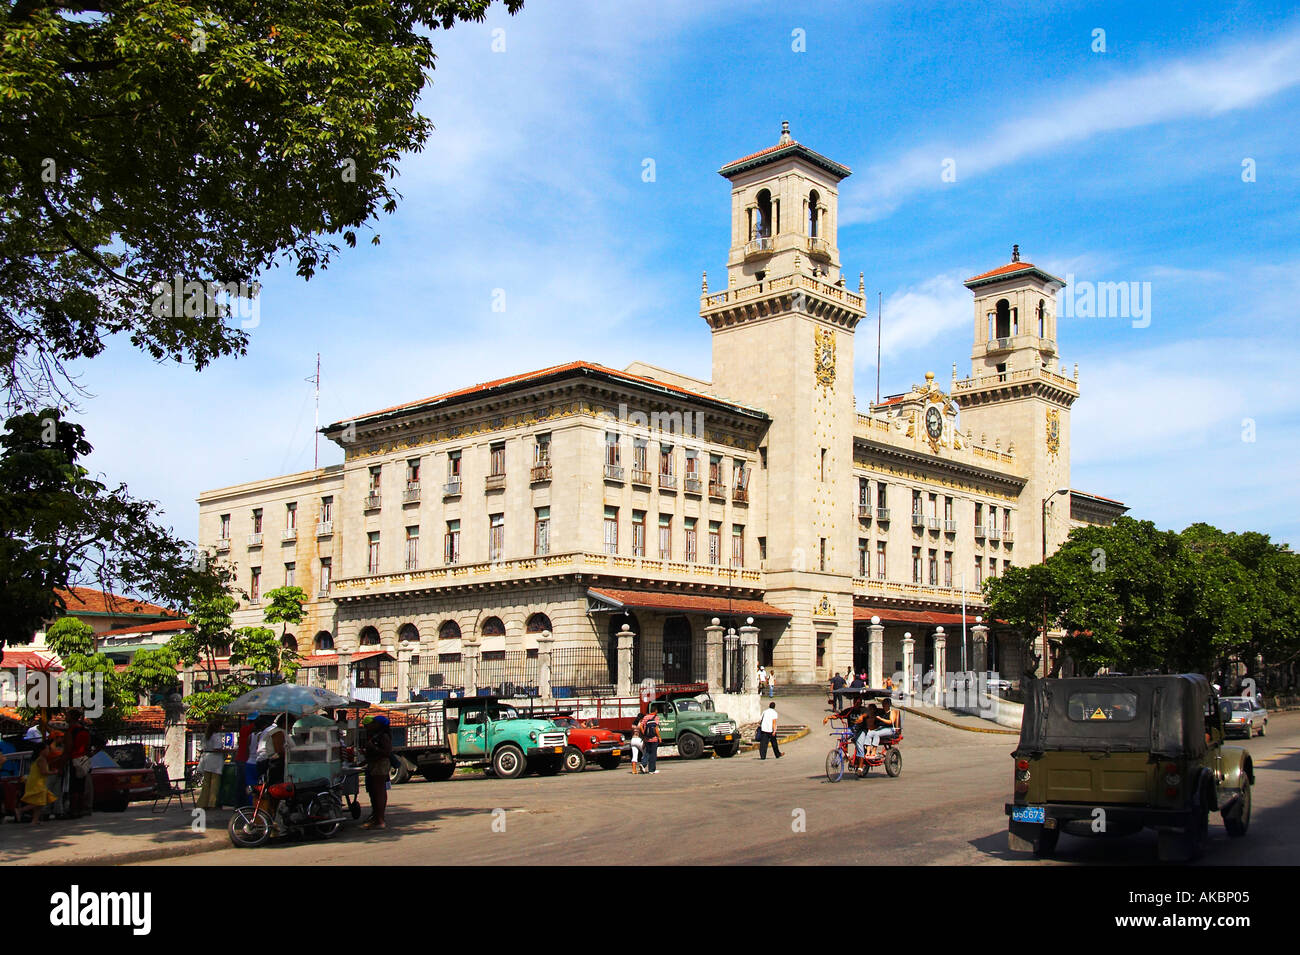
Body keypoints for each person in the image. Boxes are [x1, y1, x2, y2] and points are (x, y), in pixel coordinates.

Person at [361, 714, 393, 829]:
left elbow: (387, 752)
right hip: (375, 764)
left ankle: (380, 820)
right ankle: (376, 818)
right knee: (375, 791)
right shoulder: (376, 735)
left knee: (379, 791)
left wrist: (373, 748)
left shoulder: (383, 736)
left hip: (381, 765)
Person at [65, 709, 95, 818]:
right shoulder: (84, 731)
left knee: (74, 787)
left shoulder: (72, 731)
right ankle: (80, 809)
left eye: (67, 715)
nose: (65, 717)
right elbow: (88, 746)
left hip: (74, 759)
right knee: (81, 786)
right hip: (84, 760)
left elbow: (68, 749)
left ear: (72, 717)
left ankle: (73, 810)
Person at [20, 742, 59, 825]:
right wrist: (53, 772)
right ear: (41, 750)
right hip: (37, 783)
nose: (49, 751)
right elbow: (44, 772)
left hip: (36, 782)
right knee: (39, 802)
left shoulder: (38, 759)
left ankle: (35, 820)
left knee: (40, 802)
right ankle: (20, 810)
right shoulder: (42, 759)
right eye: (47, 749)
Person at [196, 718, 229, 809]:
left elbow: (201, 748)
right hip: (215, 760)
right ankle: (212, 803)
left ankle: (203, 802)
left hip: (207, 759)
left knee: (206, 783)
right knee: (215, 783)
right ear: (218, 727)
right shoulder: (217, 736)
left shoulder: (206, 736)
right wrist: (229, 750)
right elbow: (217, 748)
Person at [642, 709, 661, 774]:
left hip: (647, 738)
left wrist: (644, 736)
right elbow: (656, 728)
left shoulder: (645, 717)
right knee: (653, 754)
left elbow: (642, 727)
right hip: (654, 738)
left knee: (648, 752)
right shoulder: (656, 717)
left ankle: (643, 764)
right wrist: (659, 737)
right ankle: (652, 770)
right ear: (656, 711)